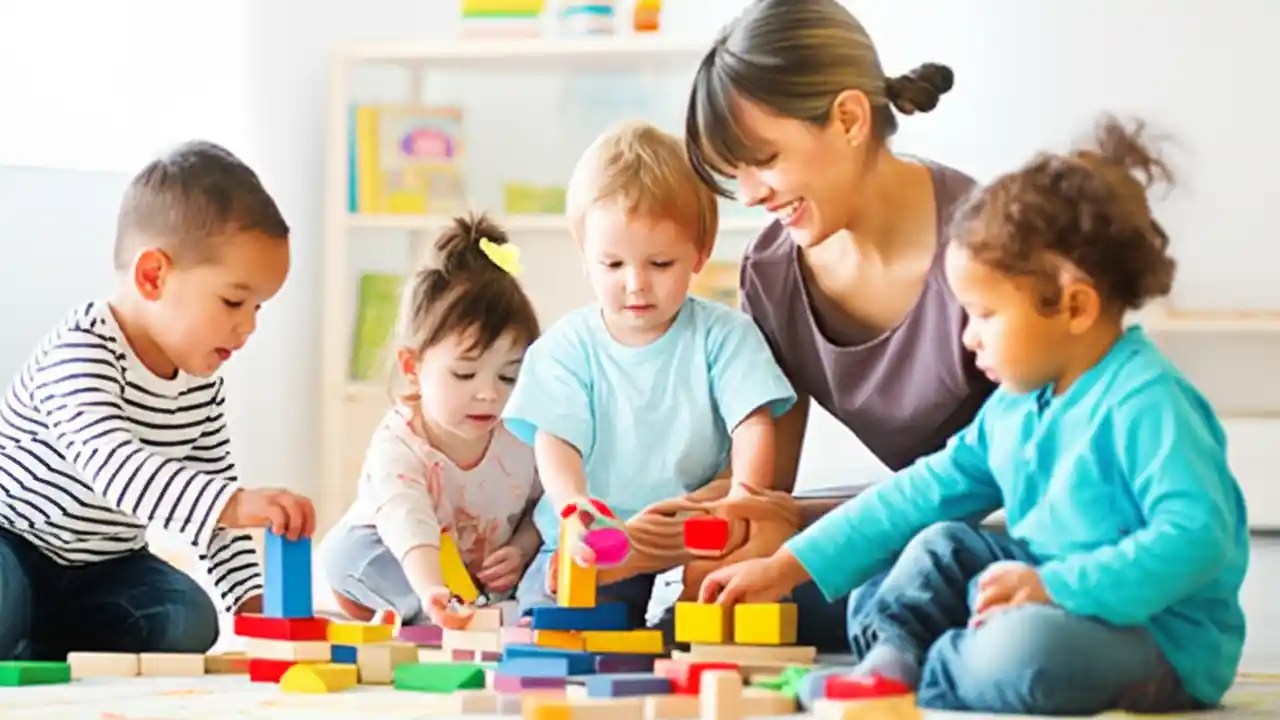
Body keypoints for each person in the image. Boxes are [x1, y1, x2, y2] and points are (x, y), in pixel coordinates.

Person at [698, 115, 1249, 715]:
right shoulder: (1016, 407)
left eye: (984, 315)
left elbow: (1196, 539)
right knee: (933, 546)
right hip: (1045, 586)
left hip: (1157, 638)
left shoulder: (1146, 402)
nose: (968, 338)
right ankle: (891, 659)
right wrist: (787, 566)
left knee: (1028, 651)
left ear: (1074, 306)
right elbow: (918, 494)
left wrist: (1054, 589)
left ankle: (921, 665)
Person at [683, 0, 998, 650]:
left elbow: (1014, 475)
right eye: (732, 172)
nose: (749, 195)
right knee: (712, 577)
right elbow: (769, 488)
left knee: (926, 565)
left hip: (1006, 525)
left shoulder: (991, 241)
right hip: (903, 524)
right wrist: (680, 519)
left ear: (850, 118)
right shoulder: (772, 272)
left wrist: (797, 528)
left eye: (763, 159)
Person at [0, 141, 316, 660]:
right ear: (153, 276)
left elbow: (214, 497)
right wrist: (234, 506)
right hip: (15, 540)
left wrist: (252, 603)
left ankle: (38, 646)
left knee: (185, 619)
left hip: (103, 567)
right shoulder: (81, 351)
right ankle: (23, 630)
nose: (248, 325)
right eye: (234, 301)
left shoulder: (199, 382)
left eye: (258, 307)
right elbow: (114, 466)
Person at [502, 120, 796, 628]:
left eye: (660, 263)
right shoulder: (565, 349)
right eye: (613, 264)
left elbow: (753, 421)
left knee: (733, 608)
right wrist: (573, 503)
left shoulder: (725, 336)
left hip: (694, 527)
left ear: (699, 255)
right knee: (569, 617)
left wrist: (745, 495)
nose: (636, 284)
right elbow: (557, 441)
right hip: (603, 535)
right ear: (586, 260)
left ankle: (677, 619)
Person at [319, 215, 543, 627]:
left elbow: (544, 502)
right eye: (464, 374)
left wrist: (524, 547)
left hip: (481, 575)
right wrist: (430, 589)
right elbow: (407, 522)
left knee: (556, 562)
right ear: (412, 367)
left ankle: (483, 610)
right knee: (345, 554)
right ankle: (437, 611)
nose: (490, 393)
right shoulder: (399, 443)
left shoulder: (522, 430)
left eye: (509, 375)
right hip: (403, 558)